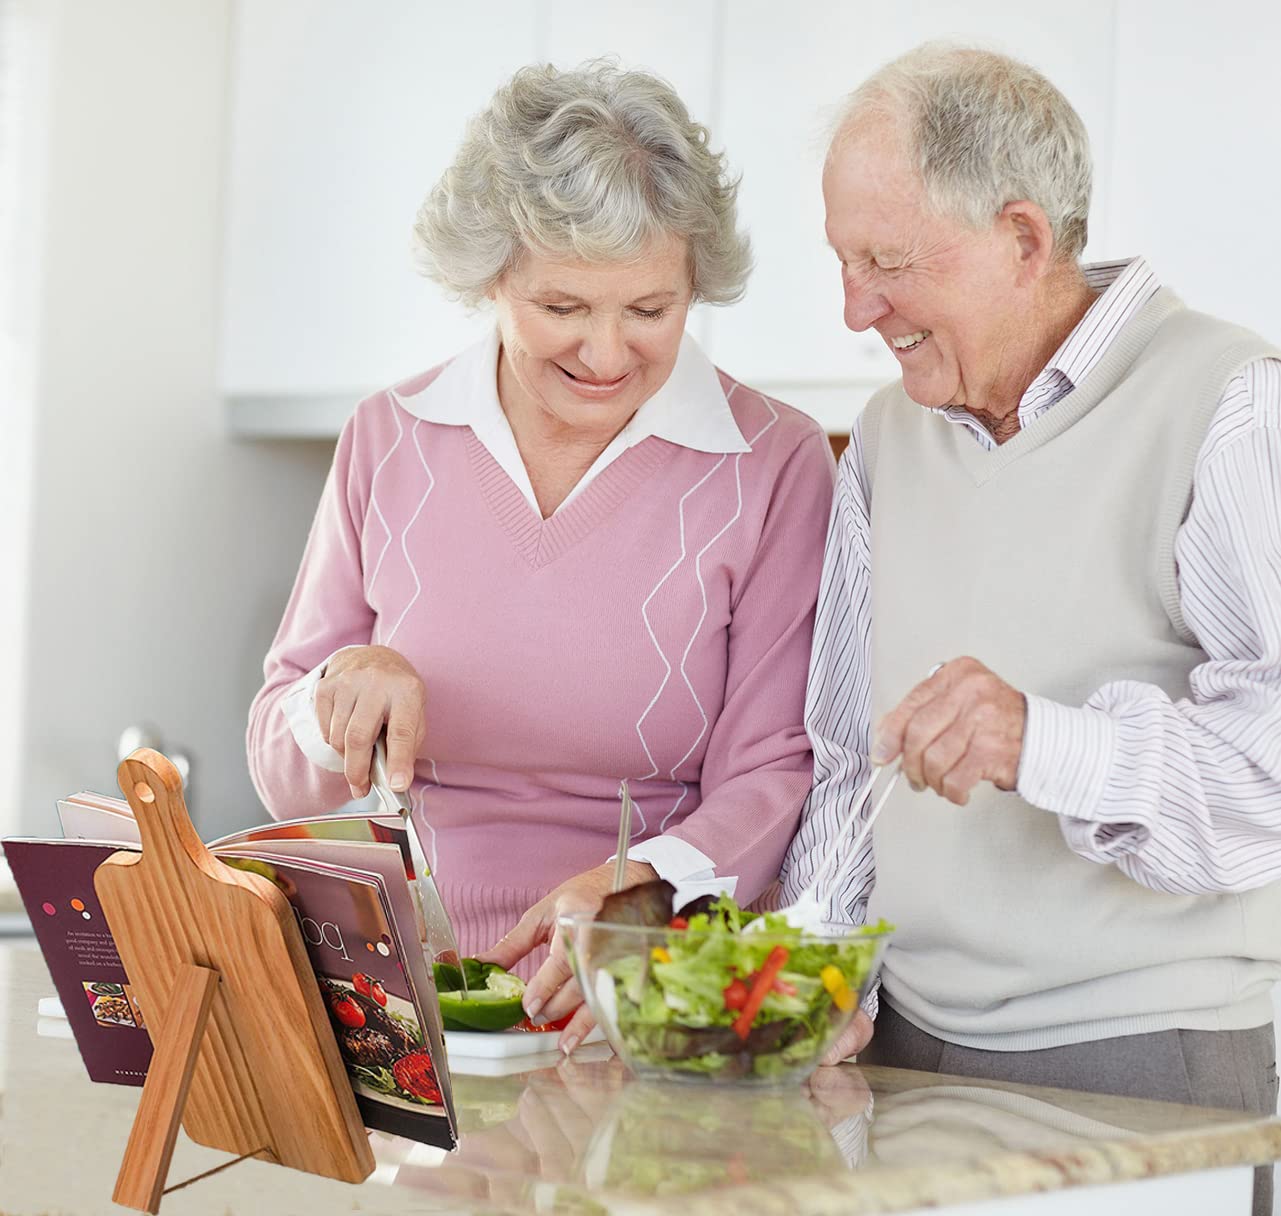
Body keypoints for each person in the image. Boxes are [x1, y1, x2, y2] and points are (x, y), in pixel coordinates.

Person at [780, 43, 1281, 1215]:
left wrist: (1044, 743)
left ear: (1022, 238)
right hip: (896, 1047)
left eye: (886, 263)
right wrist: (820, 970)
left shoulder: (1227, 402)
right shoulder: (887, 441)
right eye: (844, 264)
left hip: (1142, 1056)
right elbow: (850, 761)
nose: (856, 310)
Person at [248, 60, 836, 1055]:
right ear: (490, 275)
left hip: (645, 1001)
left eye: (650, 310)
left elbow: (773, 775)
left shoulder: (772, 463)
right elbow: (280, 755)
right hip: (407, 1009)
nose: (607, 352)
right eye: (564, 306)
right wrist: (337, 696)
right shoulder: (391, 436)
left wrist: (637, 888)